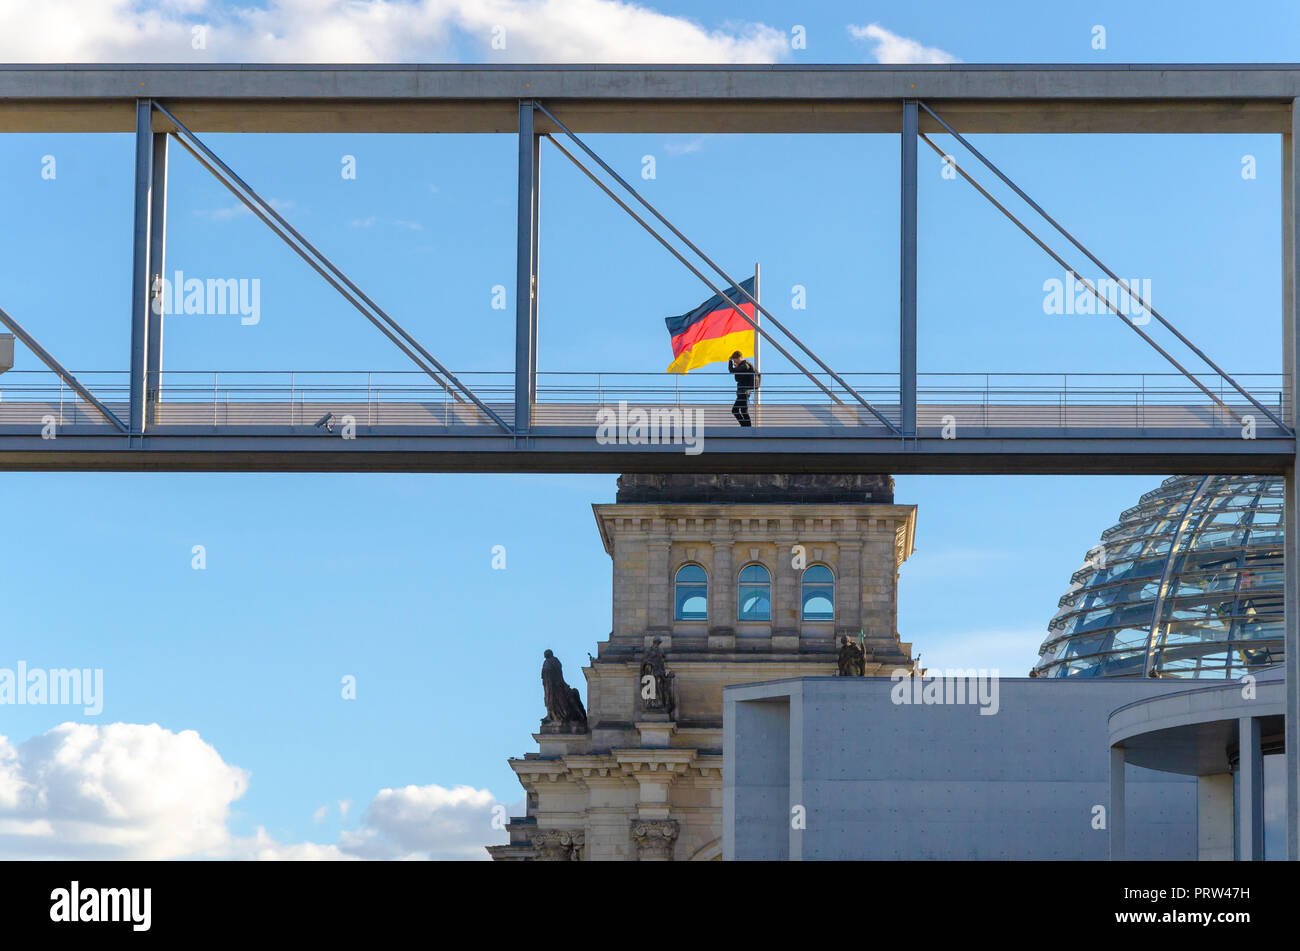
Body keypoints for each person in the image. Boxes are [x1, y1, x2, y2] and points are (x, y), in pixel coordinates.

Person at [727, 351, 756, 427]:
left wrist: (730, 361)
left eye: (734, 360)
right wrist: (737, 367)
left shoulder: (745, 365)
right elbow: (738, 377)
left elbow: (731, 370)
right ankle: (747, 427)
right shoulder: (743, 366)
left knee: (736, 410)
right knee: (743, 410)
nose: (734, 362)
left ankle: (746, 427)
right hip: (743, 392)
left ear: (738, 358)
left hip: (744, 392)